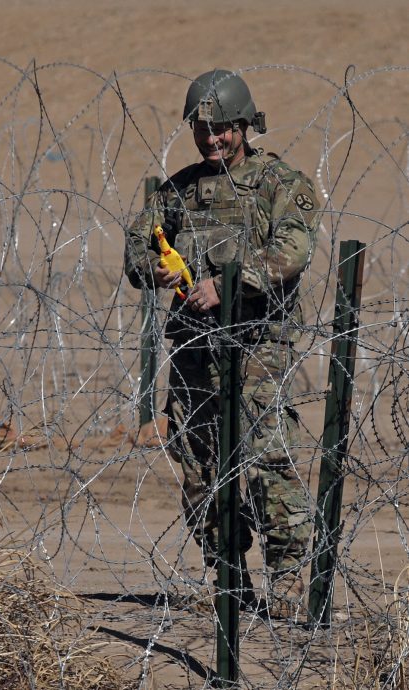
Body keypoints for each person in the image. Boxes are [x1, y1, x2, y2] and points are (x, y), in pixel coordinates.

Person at [123, 69, 319, 619]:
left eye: (222, 129)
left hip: (256, 345)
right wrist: (153, 268)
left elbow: (293, 252)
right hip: (192, 349)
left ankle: (286, 579)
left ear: (244, 125)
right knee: (197, 467)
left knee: (264, 462)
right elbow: (137, 242)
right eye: (202, 130)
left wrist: (232, 282)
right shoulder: (179, 191)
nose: (212, 139)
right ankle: (228, 576)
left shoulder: (282, 184)